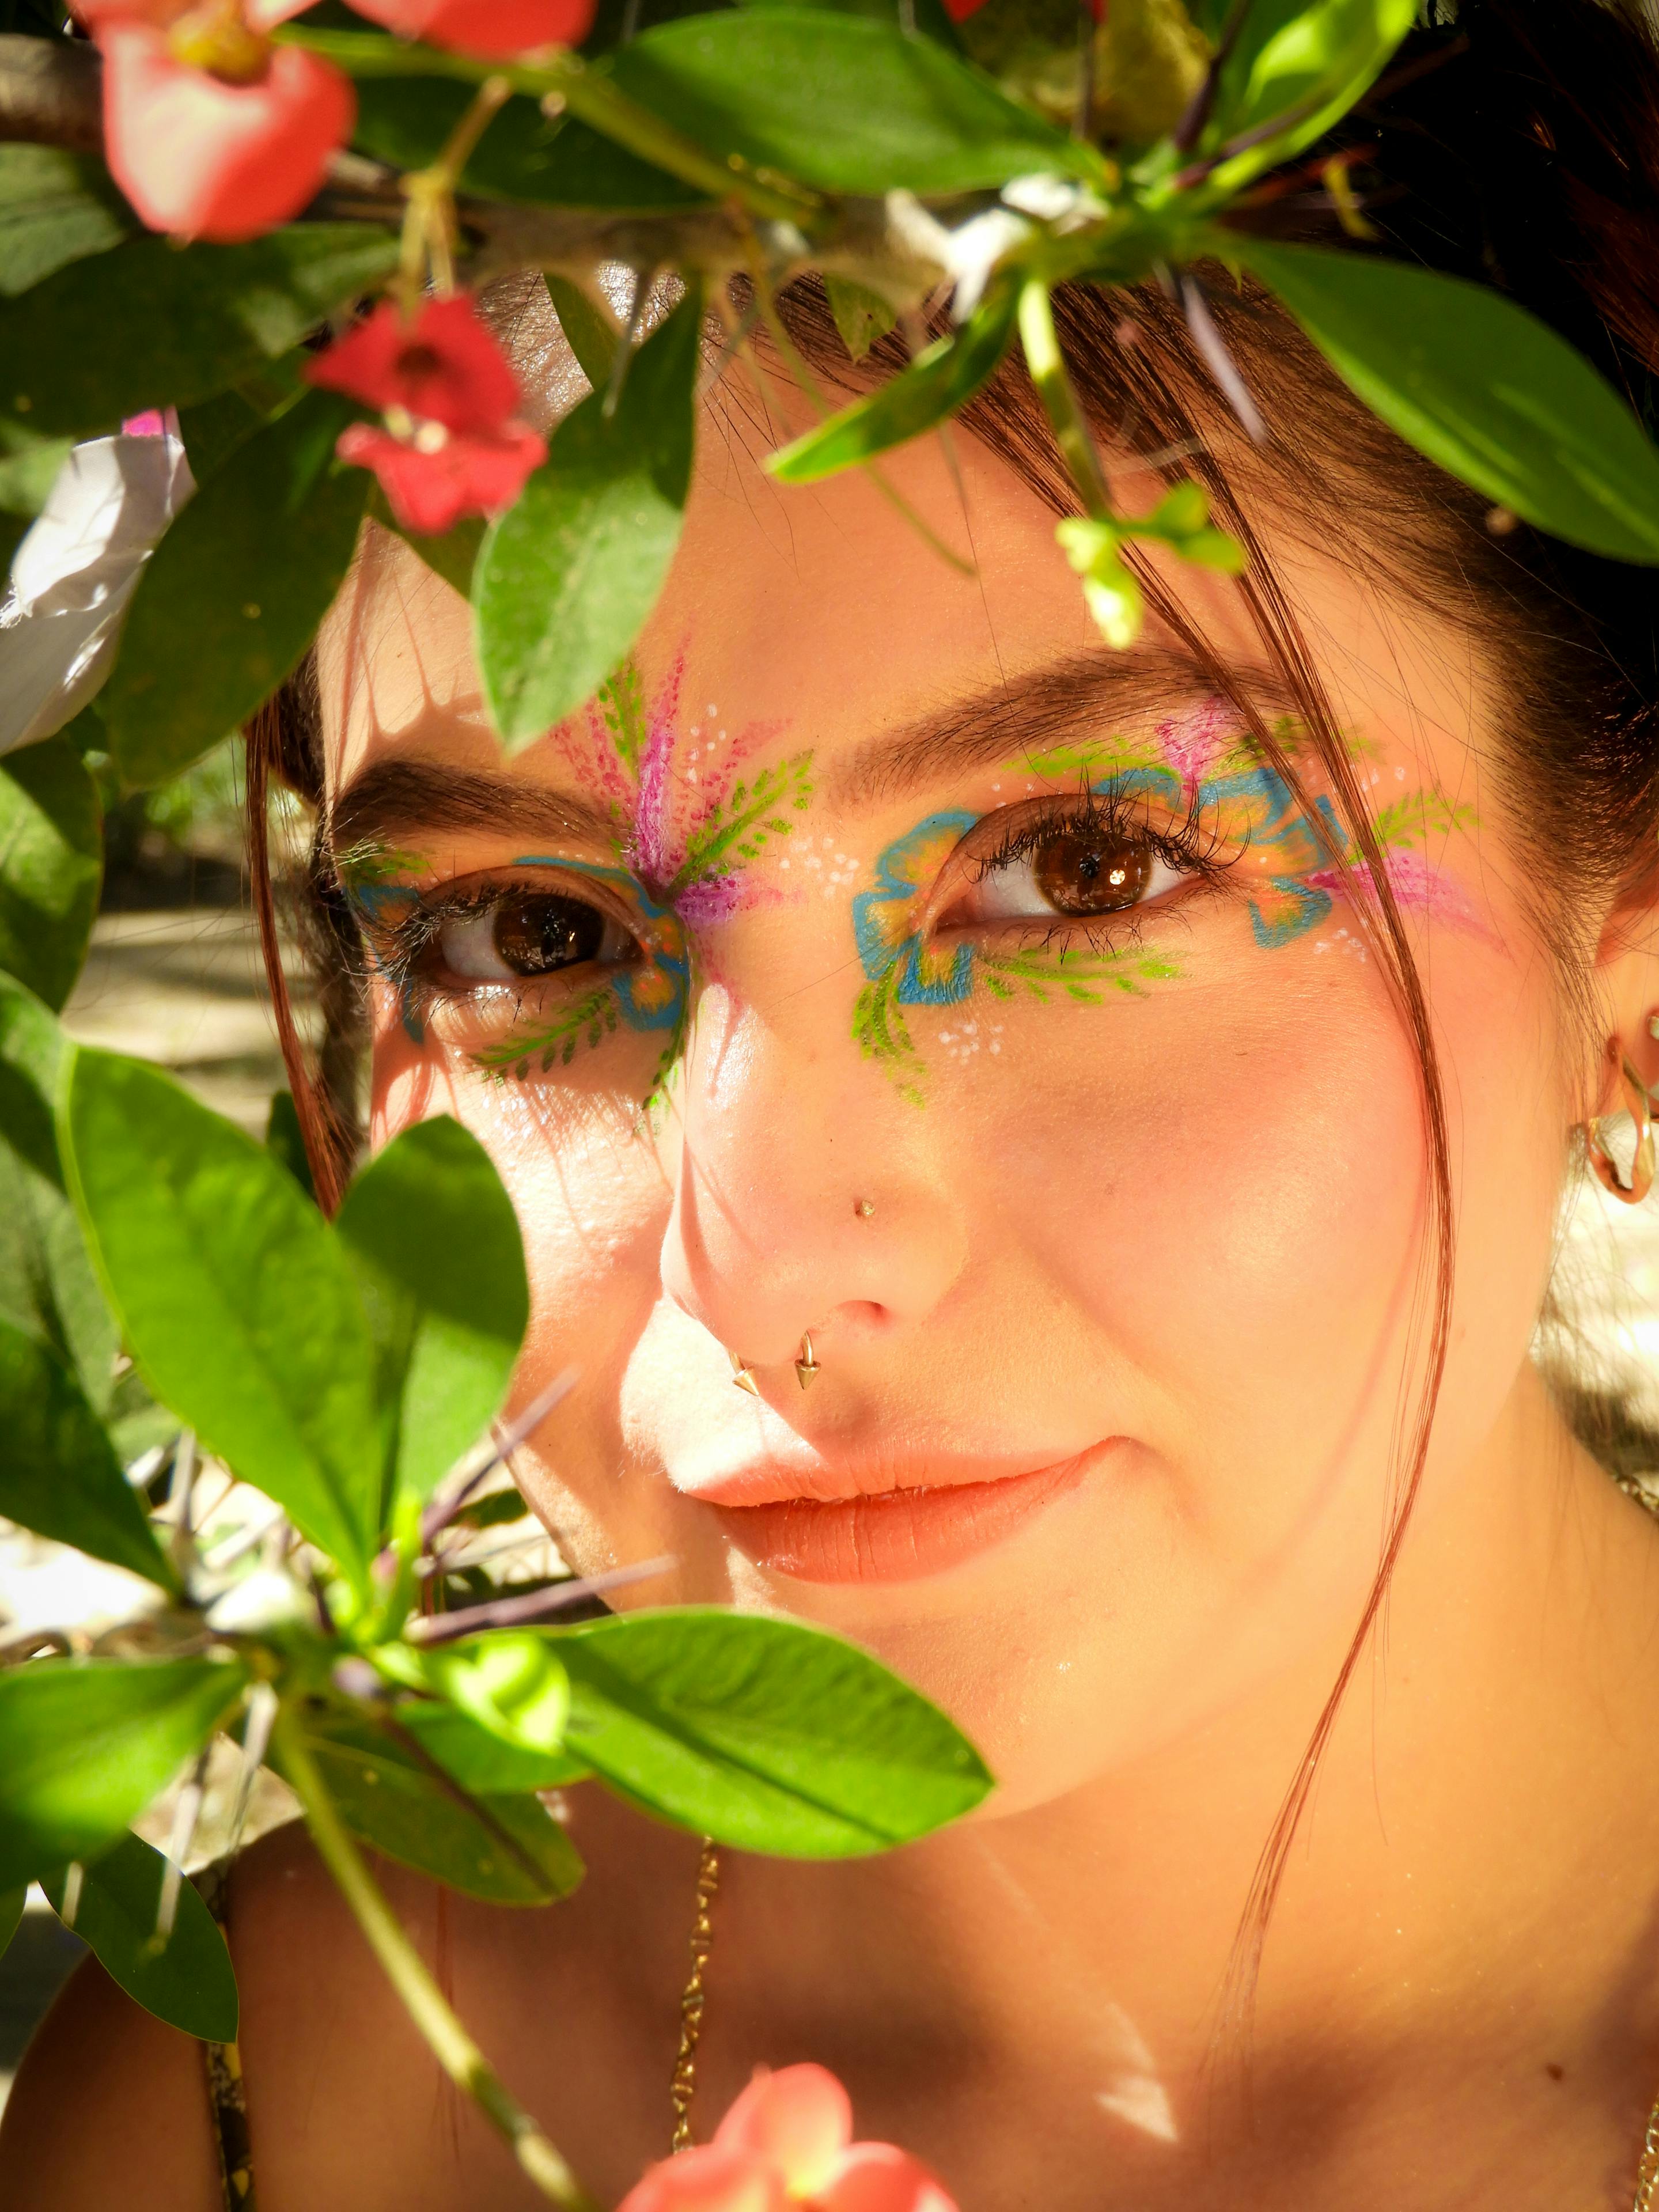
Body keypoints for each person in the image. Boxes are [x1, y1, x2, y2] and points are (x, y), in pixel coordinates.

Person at [10, 2, 1659, 2205]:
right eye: (530, 937)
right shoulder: (233, 2107)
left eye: (1086, 866)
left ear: (1628, 953)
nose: (764, 1260)